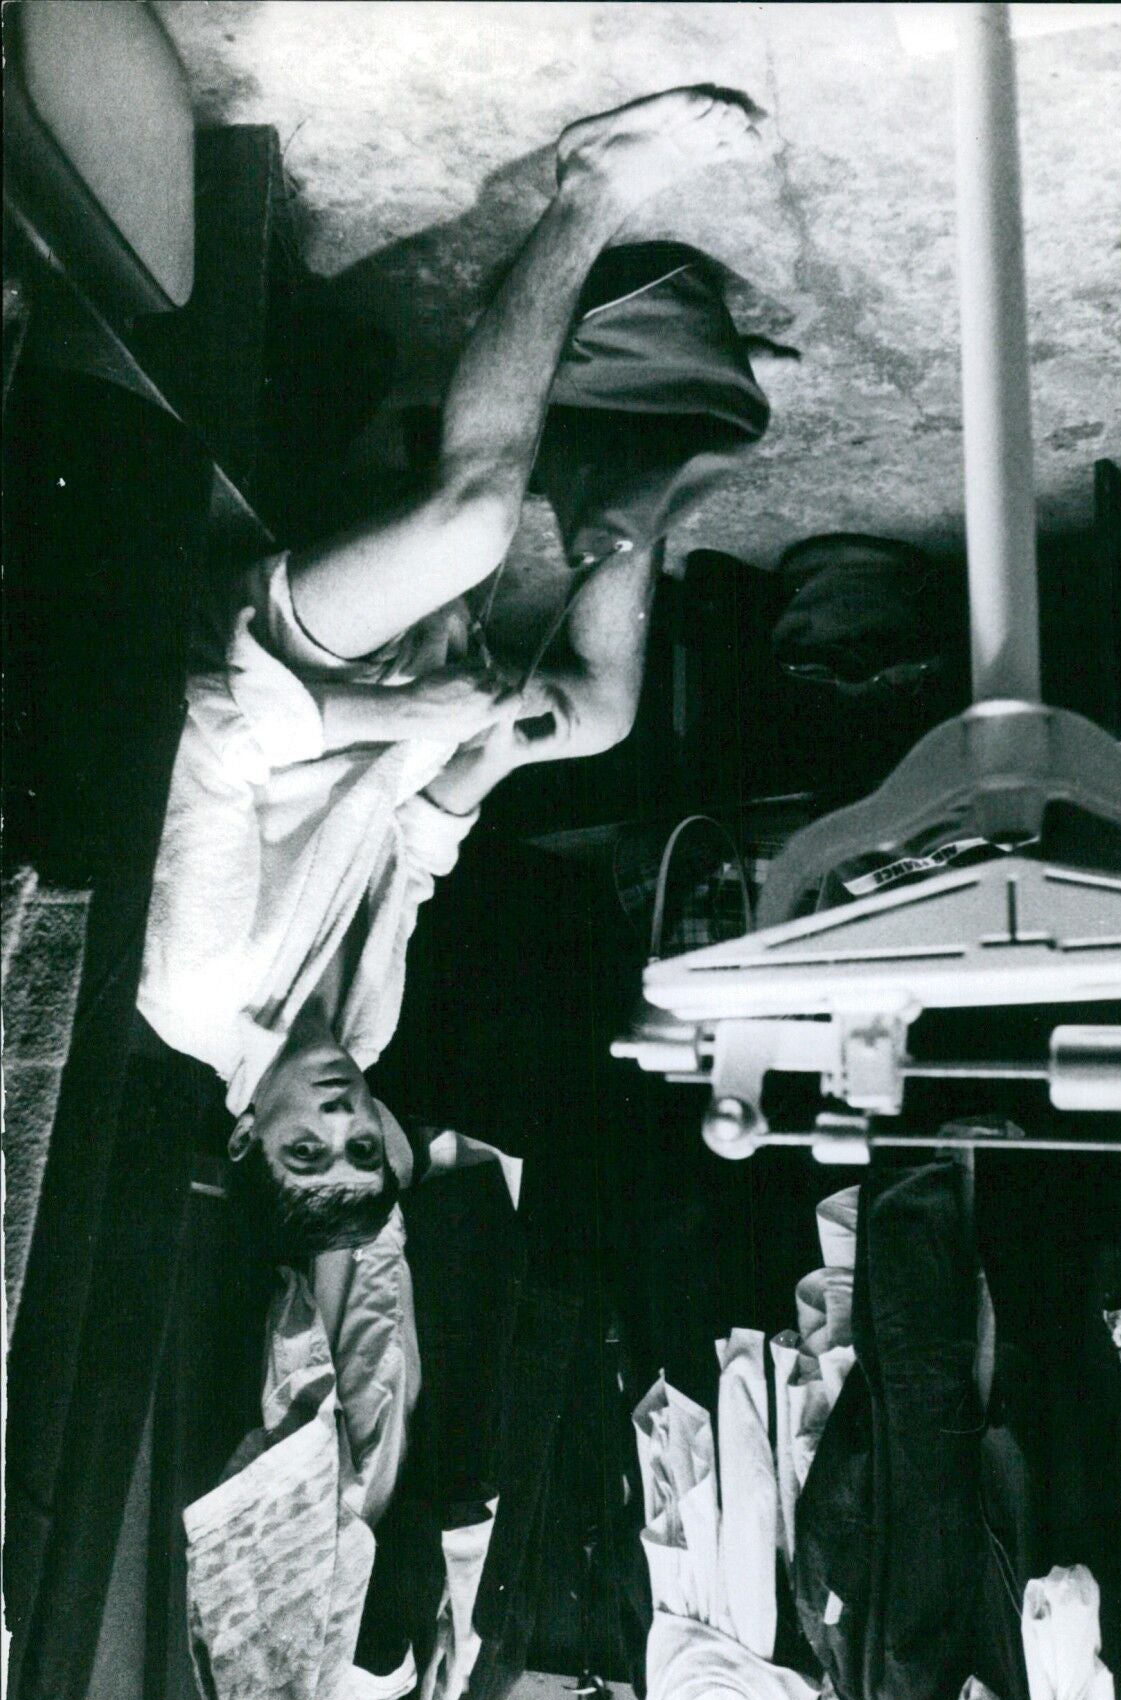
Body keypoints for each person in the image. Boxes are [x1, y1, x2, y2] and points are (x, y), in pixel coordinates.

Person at [136, 85, 771, 1260]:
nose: (335, 1119)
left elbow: (208, 735)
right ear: (385, 1126)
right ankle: (632, 468)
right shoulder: (363, 1036)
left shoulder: (196, 991)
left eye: (304, 1148)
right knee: (599, 717)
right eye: (360, 1145)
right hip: (379, 718)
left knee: (472, 527)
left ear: (243, 1139)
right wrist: (467, 768)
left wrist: (406, 710)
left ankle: (593, 184)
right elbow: (414, 859)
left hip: (265, 663)